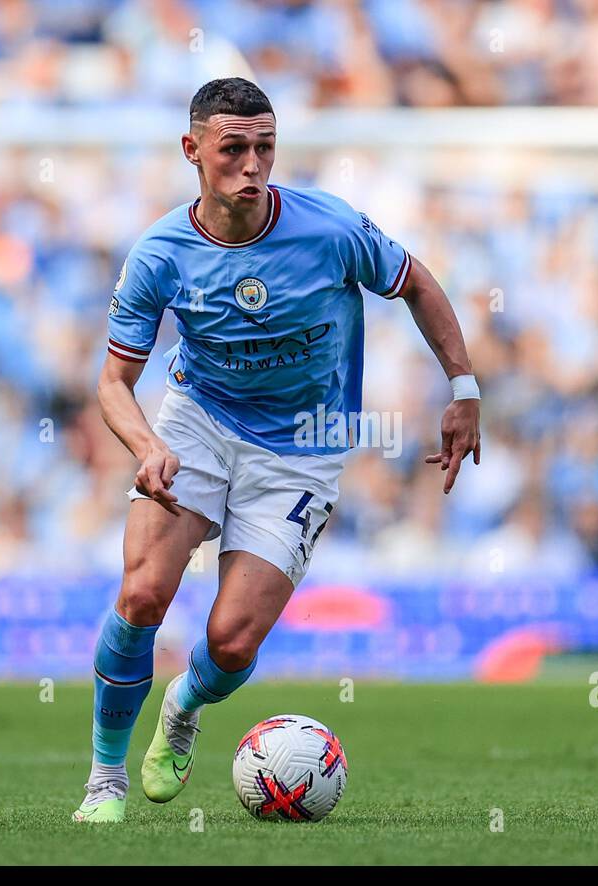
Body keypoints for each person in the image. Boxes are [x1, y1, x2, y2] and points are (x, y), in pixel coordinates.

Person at [74, 77, 481, 822]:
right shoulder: (161, 252)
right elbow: (112, 382)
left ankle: (184, 708)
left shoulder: (329, 229)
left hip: (303, 447)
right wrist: (146, 444)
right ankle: (105, 779)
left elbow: (415, 280)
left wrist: (463, 388)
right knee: (140, 595)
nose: (253, 165)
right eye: (234, 148)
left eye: (265, 146)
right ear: (193, 150)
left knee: (229, 642)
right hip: (199, 422)